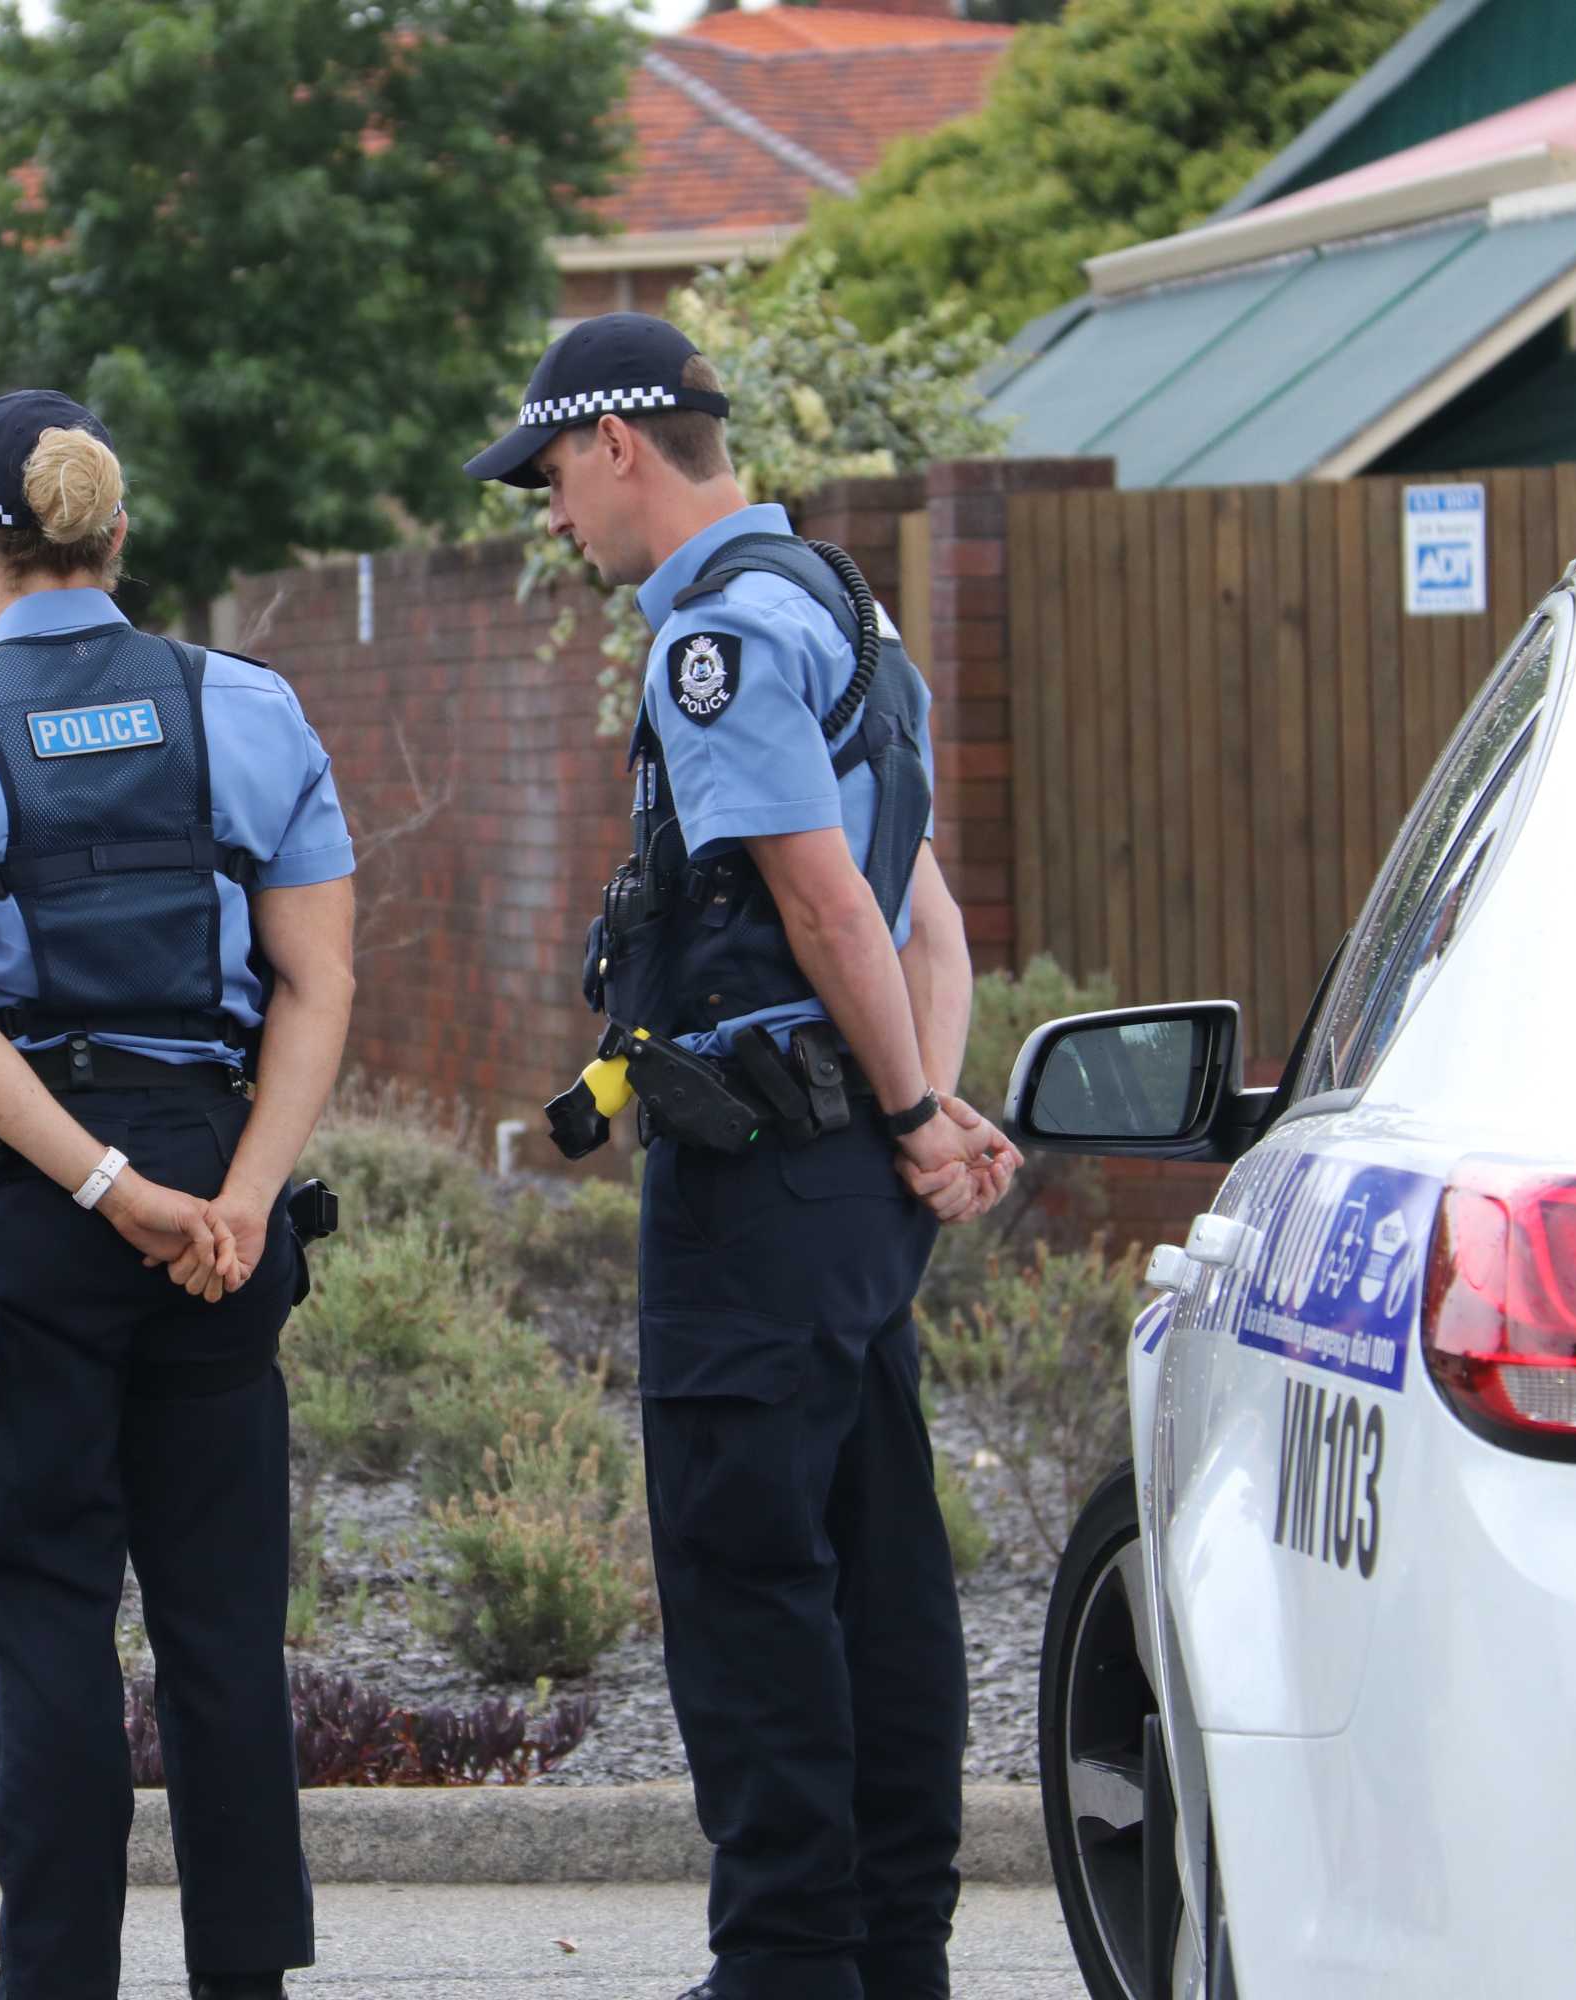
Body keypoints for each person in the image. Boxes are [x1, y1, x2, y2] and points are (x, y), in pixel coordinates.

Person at [465, 313, 1020, 2000]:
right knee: (882, 1572)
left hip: (759, 1193)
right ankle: (890, 1954)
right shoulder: (848, 610)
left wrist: (919, 1114)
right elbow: (935, 926)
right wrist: (918, 1117)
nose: (552, 510)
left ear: (621, 444)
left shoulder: (711, 640)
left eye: (554, 472)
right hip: (849, 1190)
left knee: (748, 1576)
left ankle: (785, 1964)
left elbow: (824, 898)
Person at [0, 391, 358, 2000]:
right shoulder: (251, 708)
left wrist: (105, 1185)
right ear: (117, 541)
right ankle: (246, 1979)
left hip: (24, 1219)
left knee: (49, 1632)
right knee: (220, 1636)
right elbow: (319, 983)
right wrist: (242, 1196)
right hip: (222, 1201)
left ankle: (56, 1979)